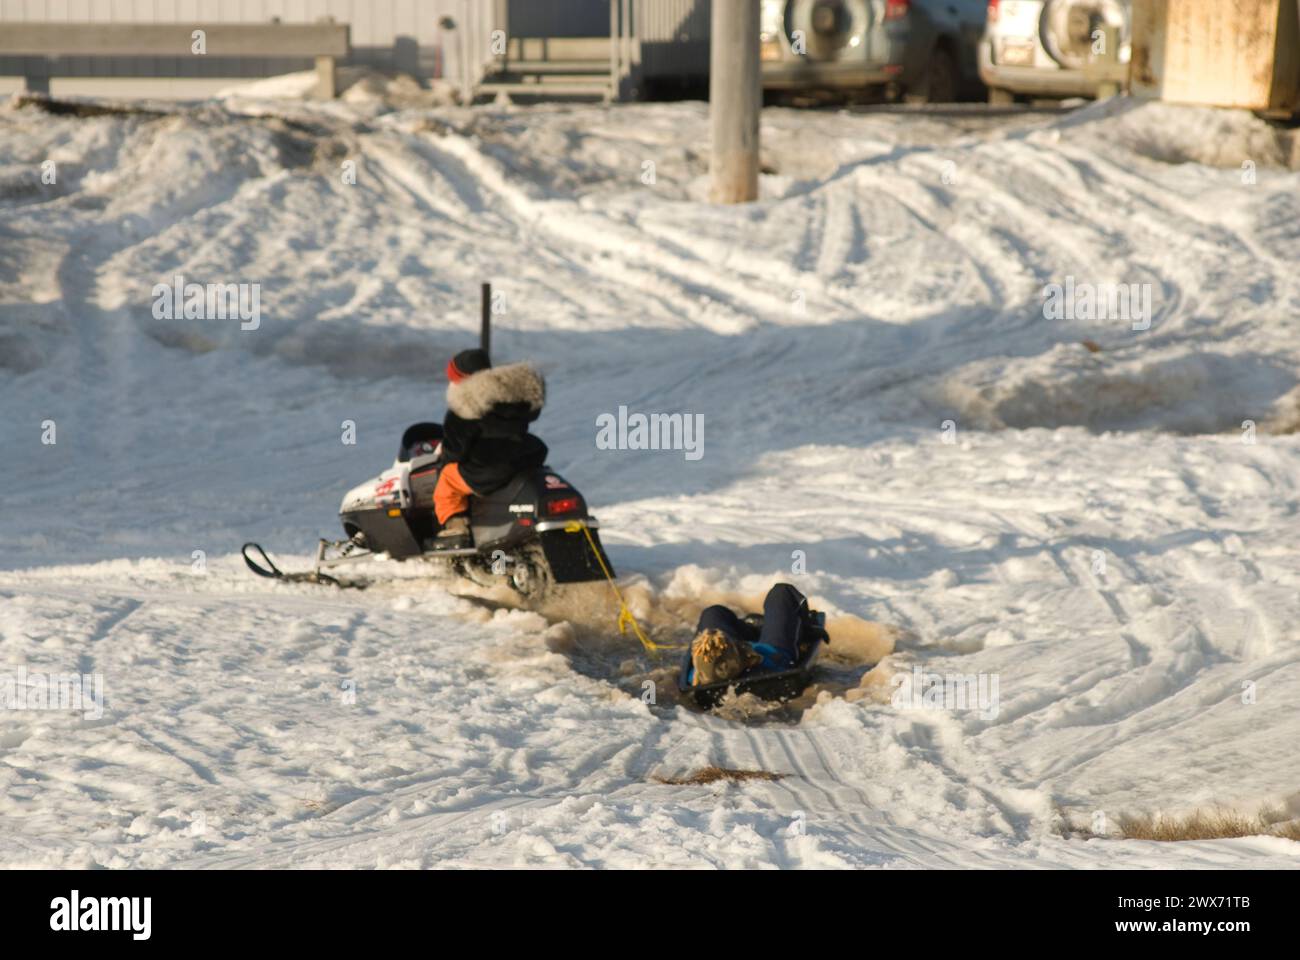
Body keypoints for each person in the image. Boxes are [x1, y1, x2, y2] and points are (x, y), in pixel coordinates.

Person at [431, 348, 548, 550]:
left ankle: (457, 531)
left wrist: (443, 454)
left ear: (460, 379)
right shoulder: (513, 394)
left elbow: (455, 452)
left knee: (447, 482)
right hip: (522, 456)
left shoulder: (465, 404)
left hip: (489, 467)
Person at [686, 583, 820, 687]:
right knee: (782, 591)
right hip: (770, 657)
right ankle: (802, 628)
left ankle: (751, 630)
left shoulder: (696, 676)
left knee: (714, 612)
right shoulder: (764, 665)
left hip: (734, 656)